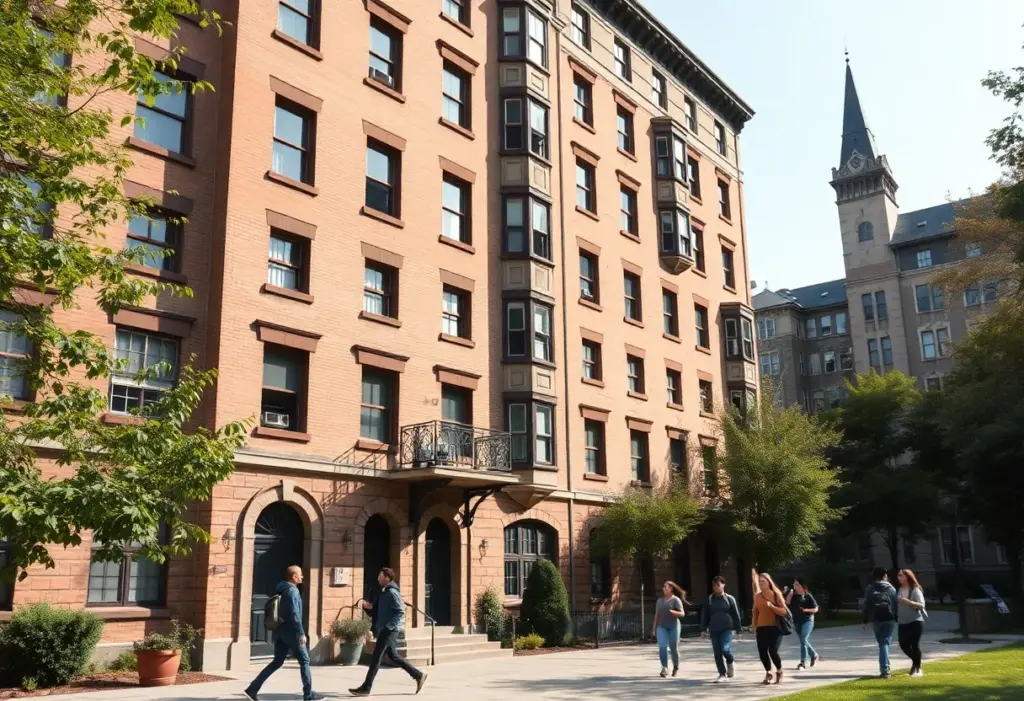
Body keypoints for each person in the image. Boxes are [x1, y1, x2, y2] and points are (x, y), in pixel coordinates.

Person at [244, 565, 324, 701]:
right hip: (292, 633)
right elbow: (294, 615)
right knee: (305, 660)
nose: (302, 576)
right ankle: (308, 694)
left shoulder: (281, 589)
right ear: (294, 577)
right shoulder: (292, 591)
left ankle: (252, 689)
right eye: (300, 574)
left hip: (279, 632)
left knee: (277, 662)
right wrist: (301, 633)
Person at [349, 567, 427, 697]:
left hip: (389, 631)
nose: (378, 578)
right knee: (393, 656)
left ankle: (366, 687)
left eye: (380, 576)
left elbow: (400, 611)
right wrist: (366, 607)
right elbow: (376, 610)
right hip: (385, 629)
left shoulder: (392, 593)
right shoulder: (384, 592)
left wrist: (388, 627)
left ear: (387, 578)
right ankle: (418, 675)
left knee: (376, 658)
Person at [700, 575, 743, 683]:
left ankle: (730, 661)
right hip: (714, 630)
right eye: (714, 586)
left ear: (723, 585)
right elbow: (705, 615)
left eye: (718, 585)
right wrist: (703, 629)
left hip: (726, 629)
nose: (716, 588)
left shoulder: (729, 599)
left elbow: (736, 615)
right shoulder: (710, 599)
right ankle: (722, 674)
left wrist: (738, 630)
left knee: (725, 649)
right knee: (717, 652)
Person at [861, 566, 899, 679]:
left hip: (876, 619)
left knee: (882, 643)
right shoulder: (891, 588)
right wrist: (896, 617)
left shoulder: (870, 588)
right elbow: (895, 604)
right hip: (889, 618)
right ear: (885, 576)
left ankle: (884, 670)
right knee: (884, 644)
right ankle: (885, 671)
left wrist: (865, 620)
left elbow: (866, 605)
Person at [751, 569, 787, 685]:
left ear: (769, 582)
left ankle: (779, 670)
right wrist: (754, 625)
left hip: (775, 627)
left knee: (773, 651)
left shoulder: (776, 595)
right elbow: (755, 612)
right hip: (761, 627)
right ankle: (768, 672)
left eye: (763, 581)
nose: (761, 584)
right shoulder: (757, 596)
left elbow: (784, 611)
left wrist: (772, 606)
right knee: (762, 652)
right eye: (760, 582)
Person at [896, 568, 928, 677]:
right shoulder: (899, 589)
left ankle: (917, 669)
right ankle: (916, 663)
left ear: (907, 577)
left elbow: (922, 605)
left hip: (915, 622)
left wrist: (908, 602)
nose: (899, 577)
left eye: (901, 575)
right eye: (898, 575)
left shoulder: (915, 590)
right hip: (902, 622)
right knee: (903, 644)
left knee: (914, 645)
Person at [651, 581, 686, 677]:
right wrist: (654, 629)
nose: (663, 588)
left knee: (673, 648)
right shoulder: (659, 601)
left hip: (674, 627)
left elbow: (682, 613)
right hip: (662, 627)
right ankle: (664, 668)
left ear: (670, 589)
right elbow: (657, 615)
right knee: (662, 647)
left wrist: (675, 612)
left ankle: (676, 665)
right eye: (663, 587)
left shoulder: (676, 600)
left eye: (665, 587)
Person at [787, 577, 820, 670]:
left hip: (808, 620)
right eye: (794, 584)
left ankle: (803, 662)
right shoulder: (792, 595)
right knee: (803, 640)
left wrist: (806, 610)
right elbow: (787, 602)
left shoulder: (808, 595)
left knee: (803, 639)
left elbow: (816, 609)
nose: (795, 586)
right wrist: (790, 592)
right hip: (797, 621)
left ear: (802, 586)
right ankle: (814, 655)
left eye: (797, 584)